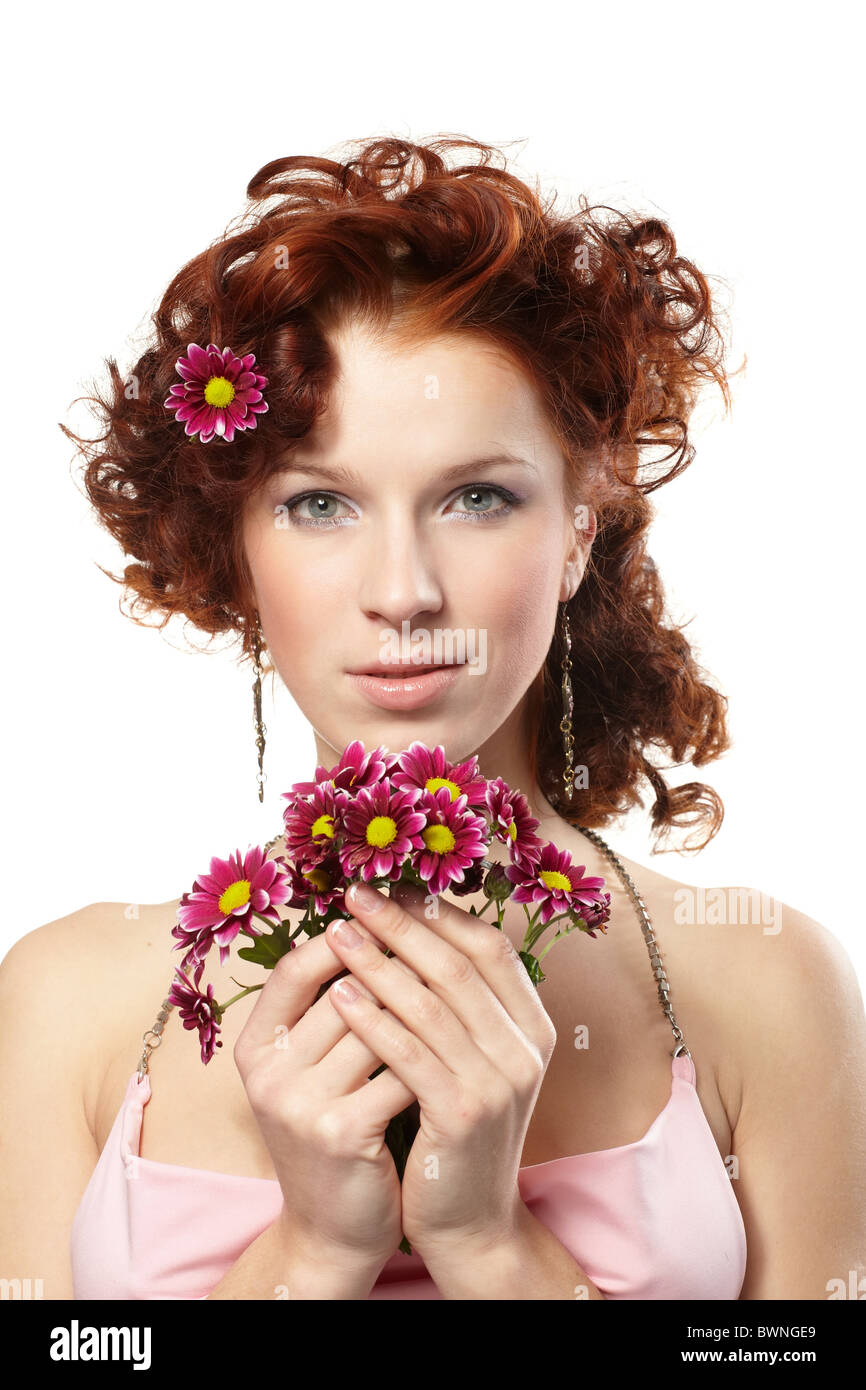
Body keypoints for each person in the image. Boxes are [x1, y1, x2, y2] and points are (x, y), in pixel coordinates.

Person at [2, 135, 864, 1302]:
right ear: (236, 553)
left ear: (575, 533)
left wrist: (487, 1245)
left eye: (476, 497)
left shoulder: (764, 982)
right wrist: (312, 1250)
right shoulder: (66, 998)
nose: (402, 590)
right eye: (318, 503)